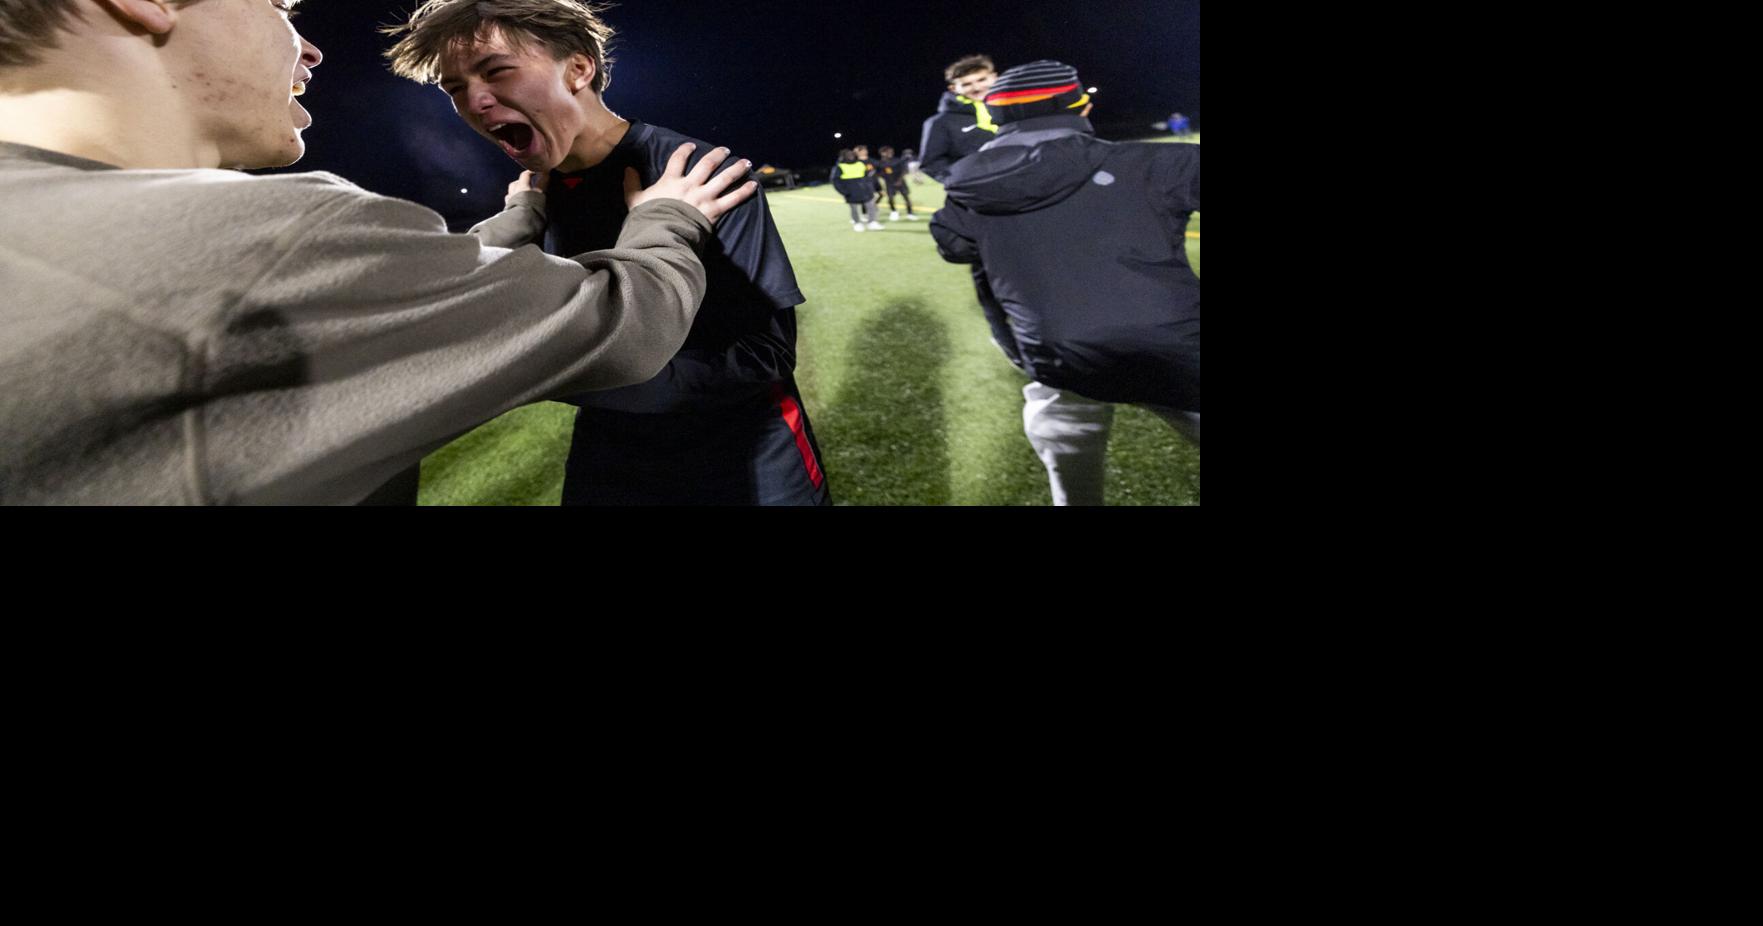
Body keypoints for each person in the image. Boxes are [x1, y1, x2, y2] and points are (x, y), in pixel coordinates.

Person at [0, 0, 754, 505]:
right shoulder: (264, 239)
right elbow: (621, 325)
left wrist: (518, 214)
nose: (310, 45)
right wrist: (666, 217)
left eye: (495, 74)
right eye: (276, 1)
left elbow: (395, 288)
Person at [385, 0, 829, 505]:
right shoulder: (535, 197)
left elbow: (763, 356)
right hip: (611, 455)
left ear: (577, 68)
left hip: (746, 459)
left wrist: (582, 375)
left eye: (496, 71)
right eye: (455, 89)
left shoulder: (694, 174)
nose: (476, 101)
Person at [930, 61, 1200, 506]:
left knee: (1064, 438)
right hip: (1171, 343)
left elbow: (953, 246)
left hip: (1056, 351)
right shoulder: (1155, 162)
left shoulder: (969, 192)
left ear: (995, 117)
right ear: (1083, 106)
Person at [918, 54, 998, 183]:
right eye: (966, 84)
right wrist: (964, 184)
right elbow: (931, 164)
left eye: (982, 80)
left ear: (994, 77)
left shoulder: (1015, 110)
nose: (976, 88)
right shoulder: (939, 122)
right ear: (953, 88)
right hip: (976, 197)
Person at [831, 148, 881, 232]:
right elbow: (835, 181)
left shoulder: (860, 163)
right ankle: (857, 223)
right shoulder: (840, 167)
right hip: (851, 192)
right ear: (843, 157)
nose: (851, 156)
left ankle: (872, 223)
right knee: (854, 209)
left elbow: (867, 176)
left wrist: (870, 187)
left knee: (871, 206)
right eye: (848, 155)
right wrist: (844, 192)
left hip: (865, 191)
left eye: (852, 154)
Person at [876, 145, 916, 221]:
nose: (891, 153)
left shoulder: (897, 160)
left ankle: (910, 213)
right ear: (883, 153)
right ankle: (894, 212)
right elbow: (878, 173)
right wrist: (886, 178)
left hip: (900, 182)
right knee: (890, 198)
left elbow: (904, 171)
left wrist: (899, 181)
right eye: (888, 152)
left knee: (906, 198)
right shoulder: (880, 163)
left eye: (891, 152)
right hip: (889, 184)